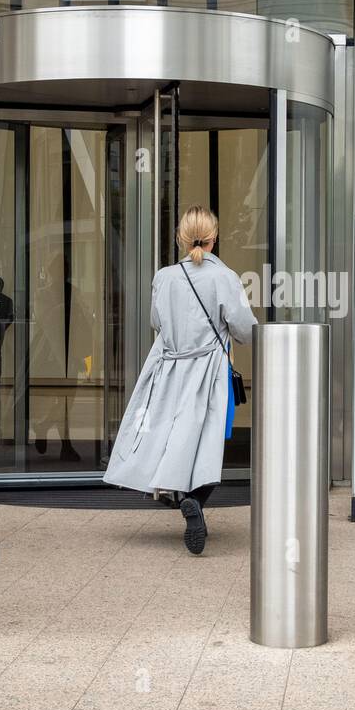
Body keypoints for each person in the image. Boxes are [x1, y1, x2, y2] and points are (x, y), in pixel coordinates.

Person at [104, 206, 256, 555]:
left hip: (169, 367)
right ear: (214, 238)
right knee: (206, 441)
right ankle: (193, 498)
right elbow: (245, 330)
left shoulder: (165, 276)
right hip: (208, 371)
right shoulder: (225, 278)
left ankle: (170, 490)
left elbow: (157, 321)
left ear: (180, 238)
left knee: (170, 433)